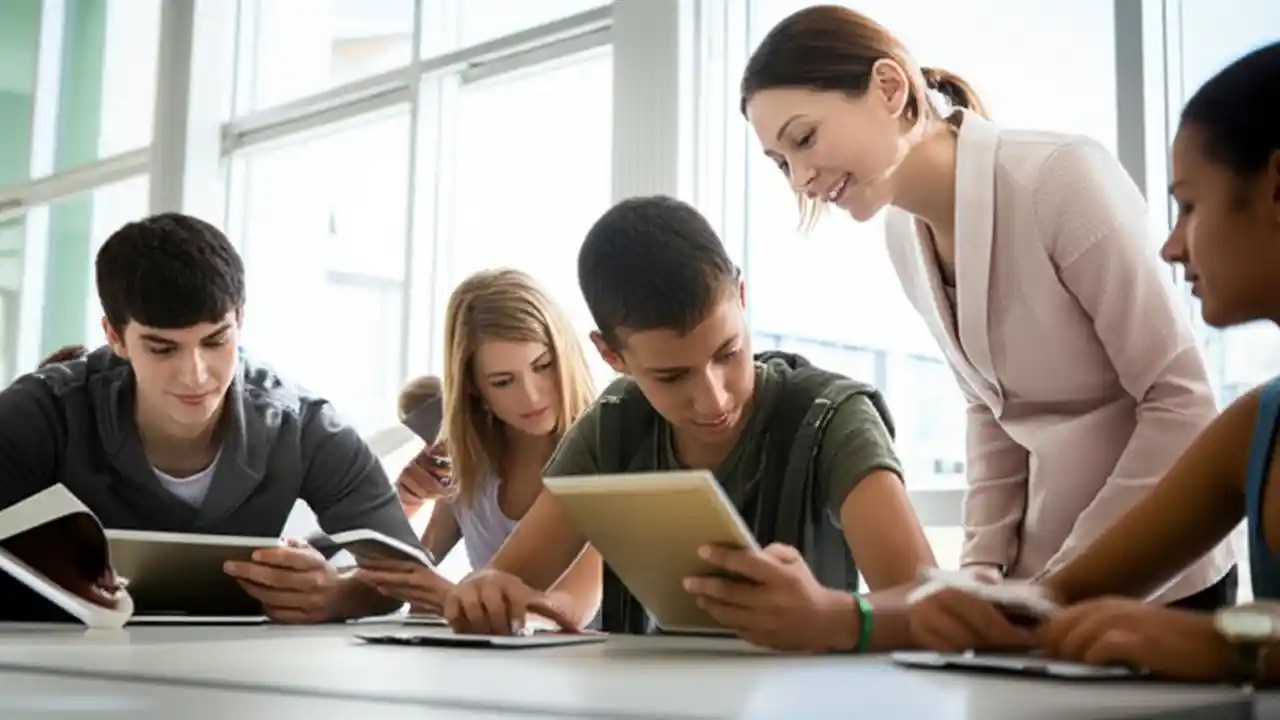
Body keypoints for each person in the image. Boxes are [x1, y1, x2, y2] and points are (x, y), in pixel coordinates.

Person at [739, 4, 1235, 605]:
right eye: (780, 162)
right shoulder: (904, 235)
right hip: (1043, 587)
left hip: (1160, 577)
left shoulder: (1059, 179)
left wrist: (1069, 580)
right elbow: (989, 410)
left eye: (804, 138)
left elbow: (1181, 399)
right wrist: (981, 575)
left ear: (890, 88)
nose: (799, 179)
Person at [909, 41, 1280, 684]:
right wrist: (840, 615)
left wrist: (1228, 646)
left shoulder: (1056, 175)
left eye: (1189, 205)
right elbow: (1047, 605)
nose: (1168, 246)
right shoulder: (1254, 427)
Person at [443, 195, 937, 651]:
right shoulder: (614, 424)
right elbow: (510, 581)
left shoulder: (834, 419)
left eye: (729, 353)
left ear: (741, 297)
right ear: (612, 355)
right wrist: (483, 597)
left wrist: (834, 616)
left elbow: (933, 608)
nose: (713, 398)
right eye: (672, 376)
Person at [0, 212, 418, 623]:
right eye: (162, 348)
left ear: (240, 319)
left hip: (246, 672)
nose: (195, 375)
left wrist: (340, 594)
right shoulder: (42, 411)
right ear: (115, 337)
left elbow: (409, 576)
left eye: (216, 340)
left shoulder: (305, 426)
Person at [354, 269, 603, 626]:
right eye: (503, 382)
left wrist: (453, 598)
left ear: (564, 355)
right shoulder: (471, 463)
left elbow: (569, 610)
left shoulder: (604, 451)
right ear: (473, 387)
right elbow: (408, 580)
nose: (531, 396)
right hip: (493, 665)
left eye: (543, 366)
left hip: (588, 668)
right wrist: (407, 500)